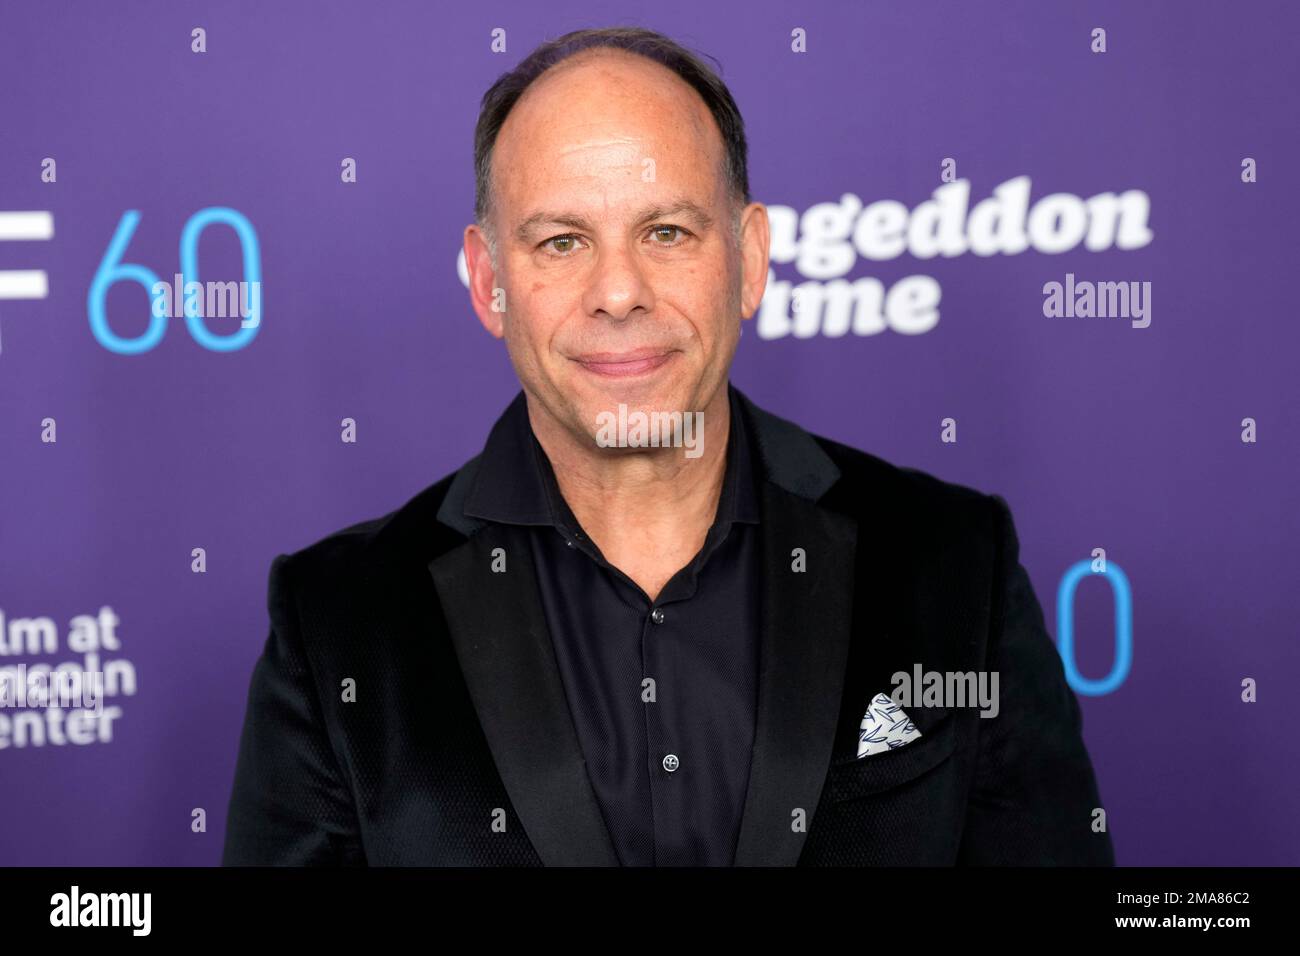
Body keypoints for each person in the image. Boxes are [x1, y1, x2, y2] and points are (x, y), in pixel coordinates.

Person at [222, 26, 1113, 867]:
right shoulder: (338, 620)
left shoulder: (955, 564)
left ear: (750, 258)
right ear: (491, 282)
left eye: (667, 232)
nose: (618, 291)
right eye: (562, 241)